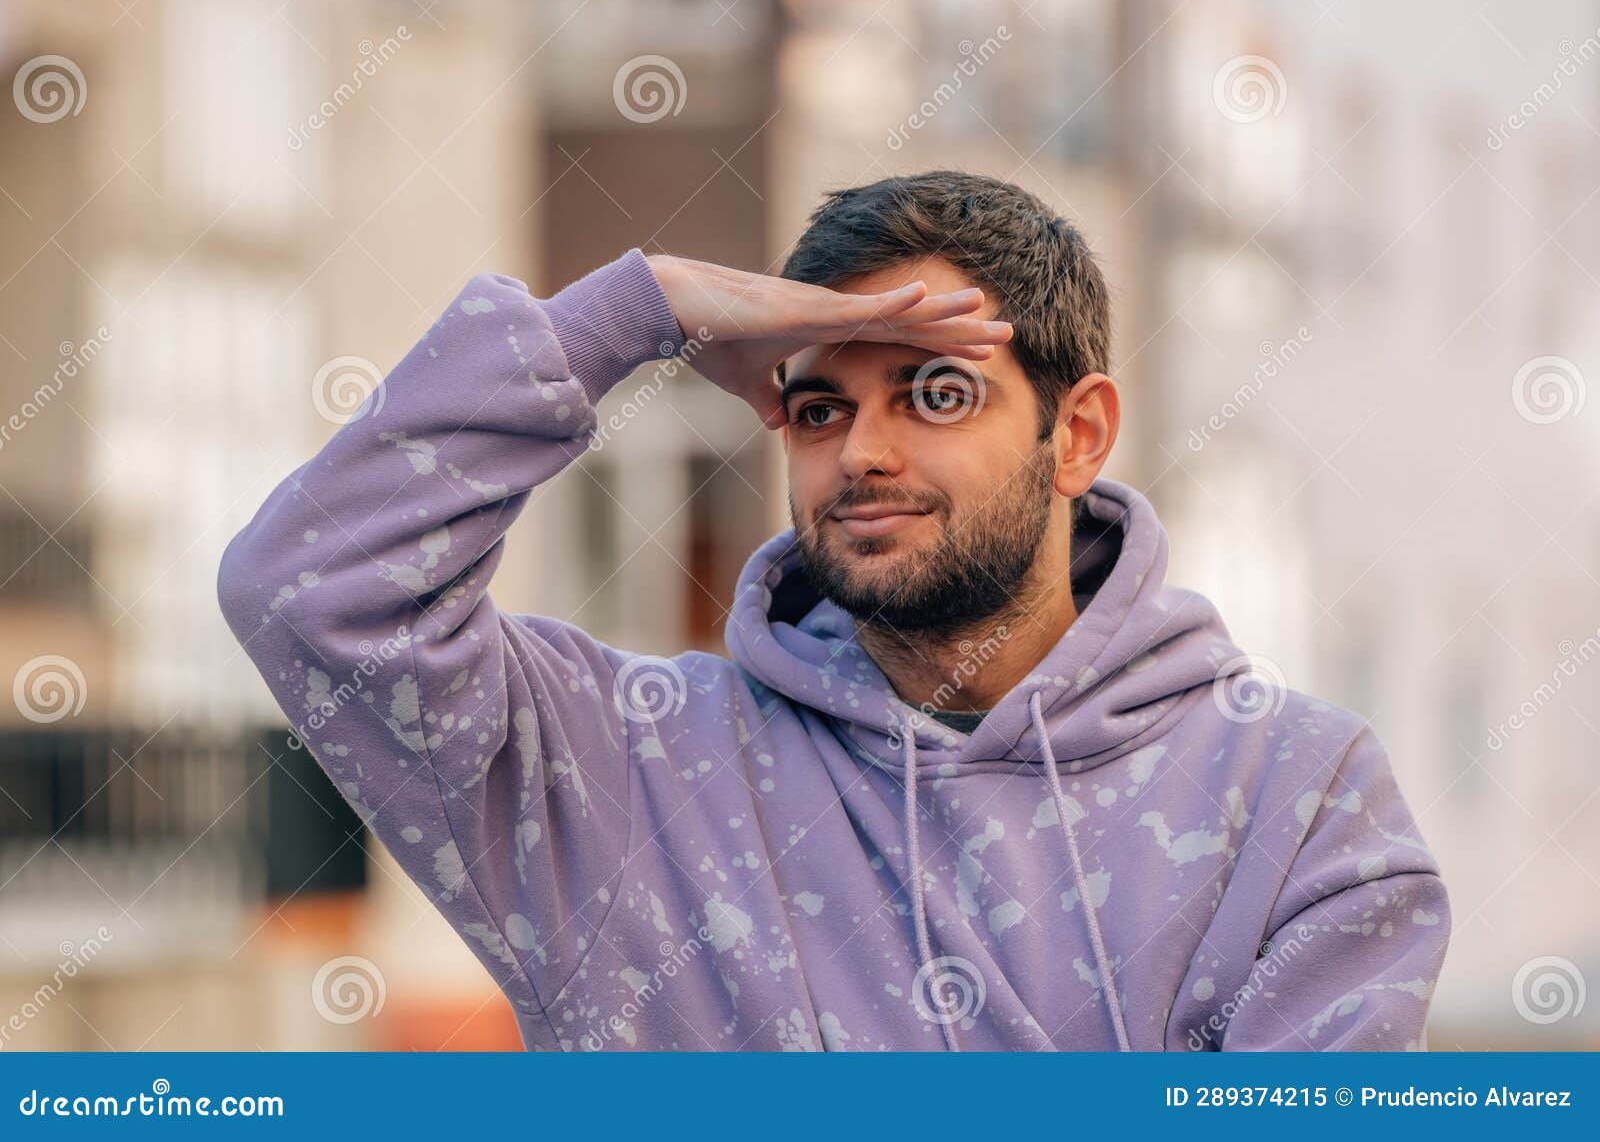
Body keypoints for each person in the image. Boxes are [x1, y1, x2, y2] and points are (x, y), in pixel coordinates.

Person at [218, 170, 1449, 1051]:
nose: (861, 451)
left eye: (936, 393)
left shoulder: (1295, 798)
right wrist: (630, 312)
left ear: (1075, 434)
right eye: (818, 408)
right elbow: (309, 587)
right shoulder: (622, 764)